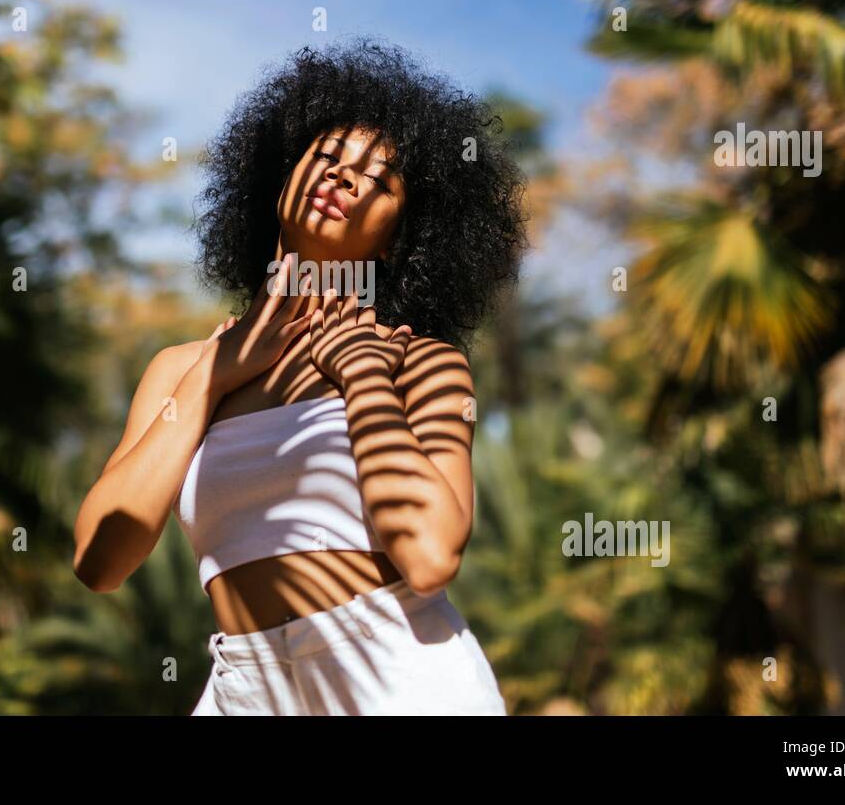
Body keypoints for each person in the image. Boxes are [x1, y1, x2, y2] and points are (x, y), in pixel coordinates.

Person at [73, 38, 528, 714]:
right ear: (280, 176)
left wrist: (365, 379)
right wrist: (211, 378)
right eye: (329, 155)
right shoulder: (180, 369)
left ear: (399, 239)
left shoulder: (418, 361)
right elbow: (100, 561)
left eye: (378, 180)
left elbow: (430, 557)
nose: (345, 178)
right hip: (244, 691)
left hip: (401, 679)